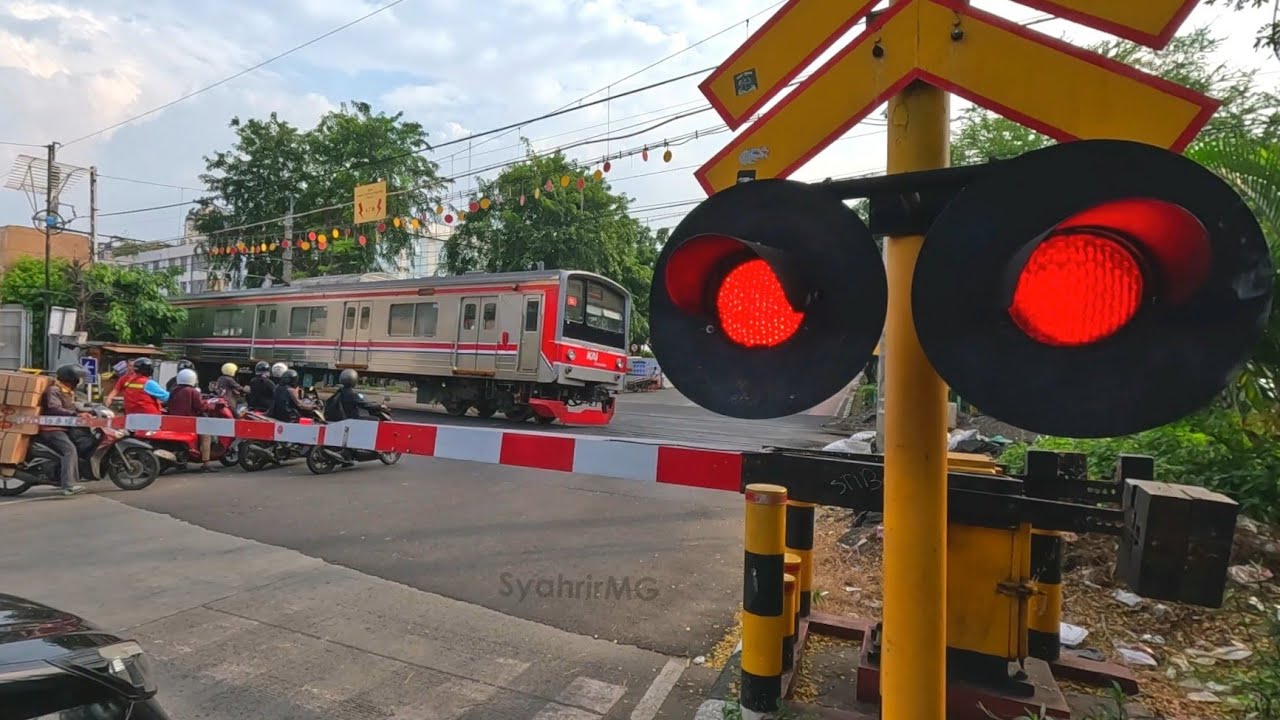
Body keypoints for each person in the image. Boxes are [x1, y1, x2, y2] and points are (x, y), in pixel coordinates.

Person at [39, 365, 90, 496]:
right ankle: (68, 485)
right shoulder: (54, 390)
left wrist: (88, 411)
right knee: (70, 450)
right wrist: (75, 415)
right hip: (52, 429)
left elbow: (71, 407)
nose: (79, 381)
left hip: (63, 427)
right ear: (71, 379)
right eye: (78, 378)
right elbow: (54, 408)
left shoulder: (66, 391)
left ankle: (68, 479)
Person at [167, 368, 216, 473]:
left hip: (173, 421)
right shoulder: (193, 391)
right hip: (189, 422)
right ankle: (206, 463)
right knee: (206, 436)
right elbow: (201, 406)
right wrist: (210, 407)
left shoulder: (173, 390)